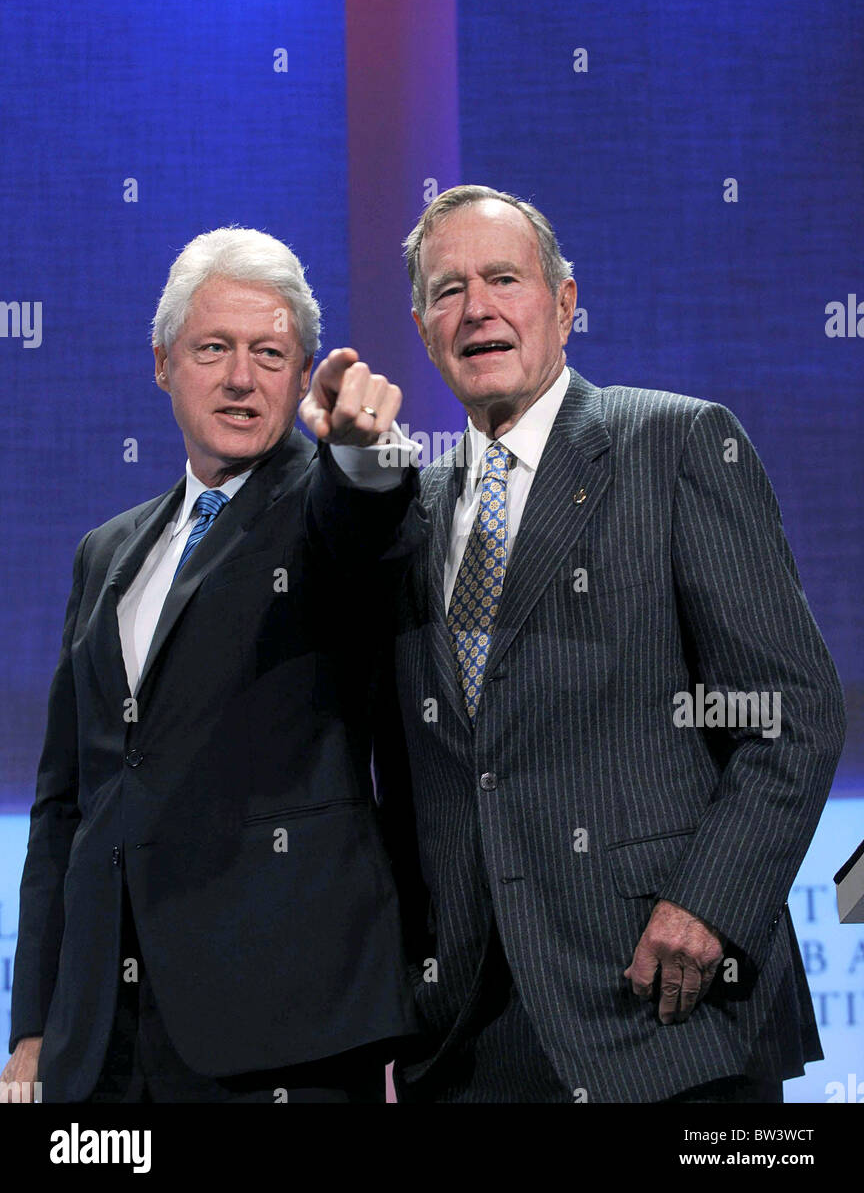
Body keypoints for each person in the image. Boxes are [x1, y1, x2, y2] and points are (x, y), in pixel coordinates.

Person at [391, 184, 846, 1104]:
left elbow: (793, 716)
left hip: (667, 1020)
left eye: (503, 279)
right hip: (480, 1051)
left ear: (563, 304)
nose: (476, 307)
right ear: (423, 325)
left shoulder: (675, 444)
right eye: (448, 290)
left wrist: (711, 903)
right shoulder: (413, 514)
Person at [2, 227, 425, 1103]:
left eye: (270, 353)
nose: (241, 377)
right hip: (102, 1048)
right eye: (214, 349)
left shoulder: (320, 506)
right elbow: (65, 806)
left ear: (304, 369)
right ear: (163, 365)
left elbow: (368, 523)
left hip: (278, 1035)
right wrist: (36, 1027)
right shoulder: (106, 552)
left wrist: (360, 452)